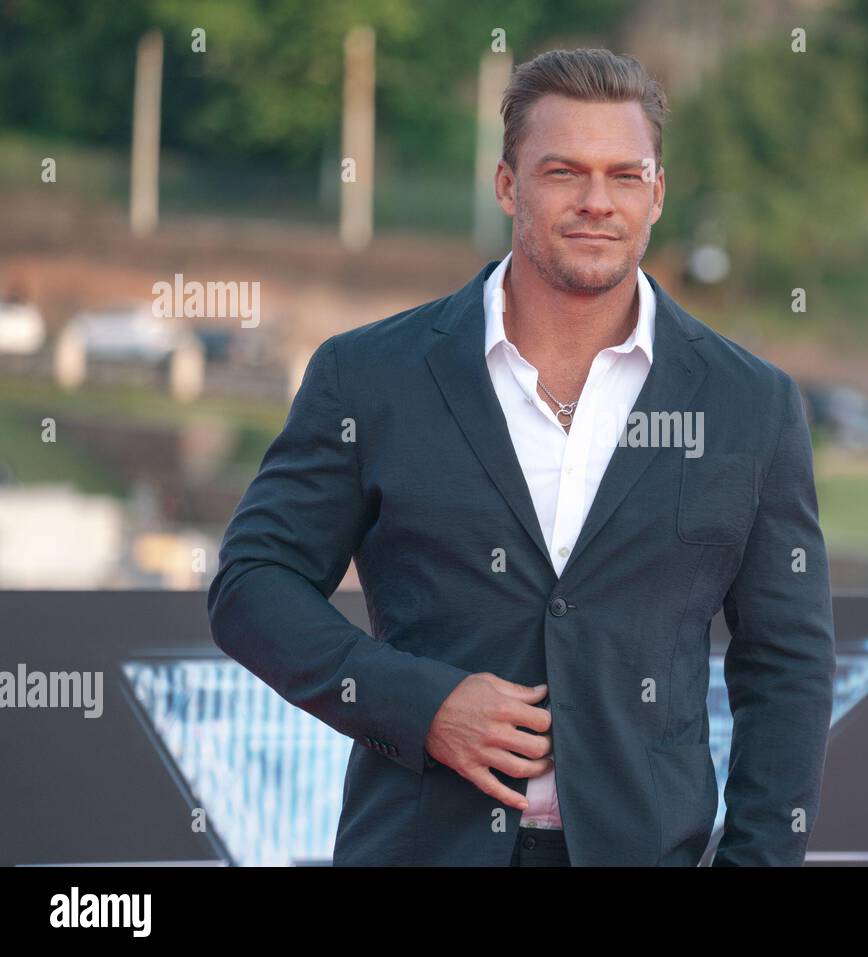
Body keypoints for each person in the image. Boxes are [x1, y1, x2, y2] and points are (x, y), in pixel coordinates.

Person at [207, 47, 835, 867]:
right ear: (508, 185)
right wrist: (423, 704)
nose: (596, 202)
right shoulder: (368, 377)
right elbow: (253, 583)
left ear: (658, 193)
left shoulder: (751, 403)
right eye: (563, 172)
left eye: (625, 175)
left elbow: (787, 664)